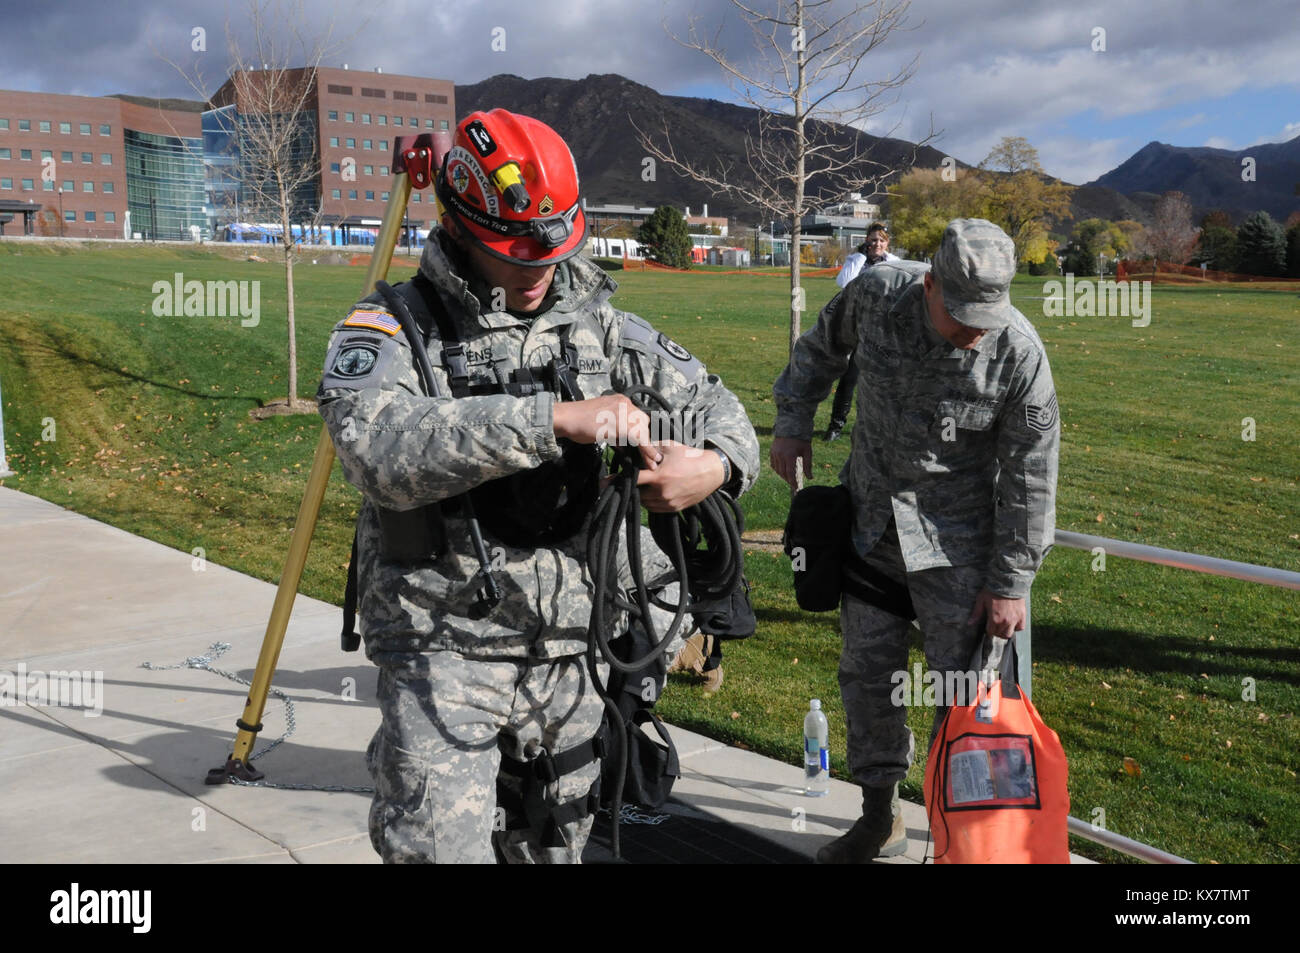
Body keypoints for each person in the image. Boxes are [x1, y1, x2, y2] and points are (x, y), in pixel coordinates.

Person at [317, 109, 759, 864]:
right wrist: (554, 420)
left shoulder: (601, 326)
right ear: (460, 228)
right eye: (516, 252)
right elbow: (375, 448)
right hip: (444, 648)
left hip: (570, 644)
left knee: (566, 837)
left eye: (554, 247)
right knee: (435, 848)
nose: (539, 269)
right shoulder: (393, 326)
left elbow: (723, 412)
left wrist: (708, 467)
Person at [770, 218, 1059, 863]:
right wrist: (793, 423)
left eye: (986, 314)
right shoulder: (876, 294)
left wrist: (1012, 582)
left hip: (958, 549)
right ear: (929, 285)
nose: (974, 329)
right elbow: (818, 350)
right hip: (871, 531)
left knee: (961, 701)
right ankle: (879, 817)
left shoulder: (1018, 353)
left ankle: (958, 842)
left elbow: (1031, 476)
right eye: (960, 314)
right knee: (869, 681)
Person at [824, 223, 899, 441]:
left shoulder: (894, 263)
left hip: (884, 329)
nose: (877, 244)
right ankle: (836, 426)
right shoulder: (856, 260)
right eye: (873, 239)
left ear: (887, 243)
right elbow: (845, 282)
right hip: (859, 327)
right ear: (867, 240)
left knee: (884, 381)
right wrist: (859, 259)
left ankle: (881, 427)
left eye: (881, 240)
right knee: (850, 378)